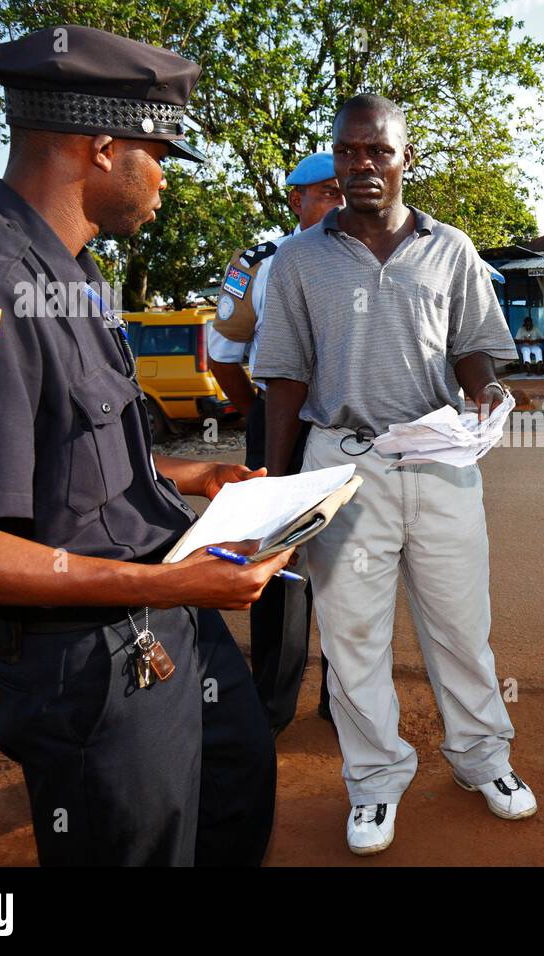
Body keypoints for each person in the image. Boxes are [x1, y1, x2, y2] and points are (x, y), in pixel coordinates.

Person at [0, 25, 292, 866]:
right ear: (101, 147)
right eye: (158, 154)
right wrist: (160, 581)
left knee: (235, 790)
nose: (164, 180)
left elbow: (71, 460)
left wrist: (192, 474)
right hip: (90, 662)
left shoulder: (80, 277)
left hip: (169, 621)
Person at [255, 93, 537, 856]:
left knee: (460, 628)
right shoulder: (299, 258)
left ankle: (483, 760)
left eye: (377, 151)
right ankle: (375, 783)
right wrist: (279, 492)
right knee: (351, 640)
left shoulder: (452, 249)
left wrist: (483, 390)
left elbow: (474, 346)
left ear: (406, 157)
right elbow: (282, 378)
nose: (362, 166)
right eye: (349, 152)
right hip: (342, 464)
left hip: (439, 458)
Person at [207, 152, 344, 735]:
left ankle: (345, 698)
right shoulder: (261, 265)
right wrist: (257, 415)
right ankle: (271, 705)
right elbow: (223, 355)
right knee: (279, 560)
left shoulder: (368, 258)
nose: (343, 202)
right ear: (297, 200)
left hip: (345, 426)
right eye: (329, 192)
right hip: (279, 421)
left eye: (346, 192)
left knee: (349, 558)